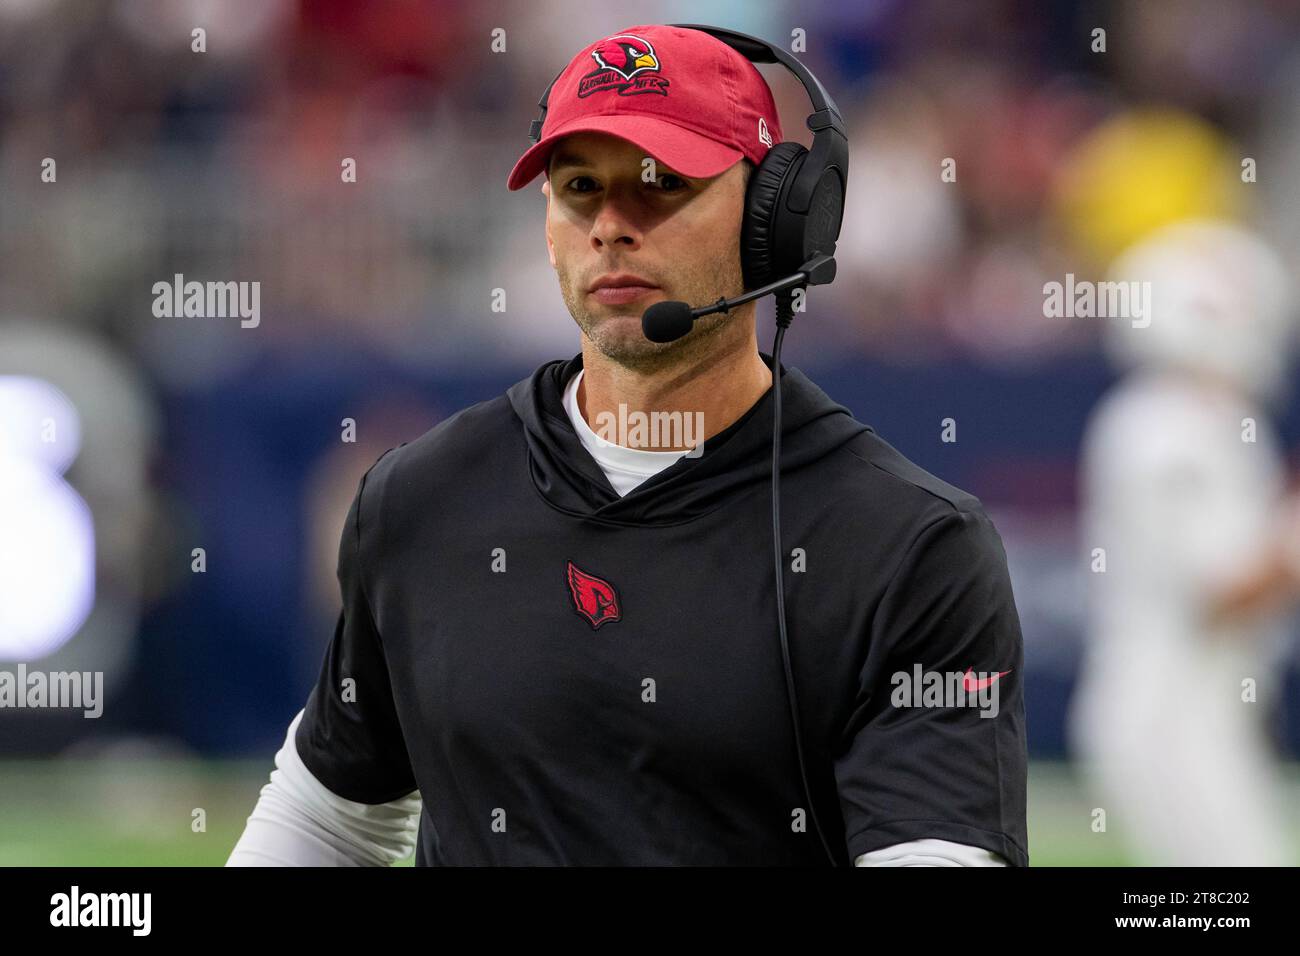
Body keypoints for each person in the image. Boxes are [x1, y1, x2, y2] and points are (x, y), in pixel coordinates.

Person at [228, 23, 1027, 867]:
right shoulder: (421, 498)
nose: (610, 225)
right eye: (579, 187)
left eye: (659, 185)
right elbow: (328, 816)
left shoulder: (909, 547)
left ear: (775, 221)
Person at [1070, 218, 1300, 865]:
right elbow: (1224, 590)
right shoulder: (1168, 427)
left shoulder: (1195, 420)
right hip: (1171, 713)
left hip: (1206, 703)